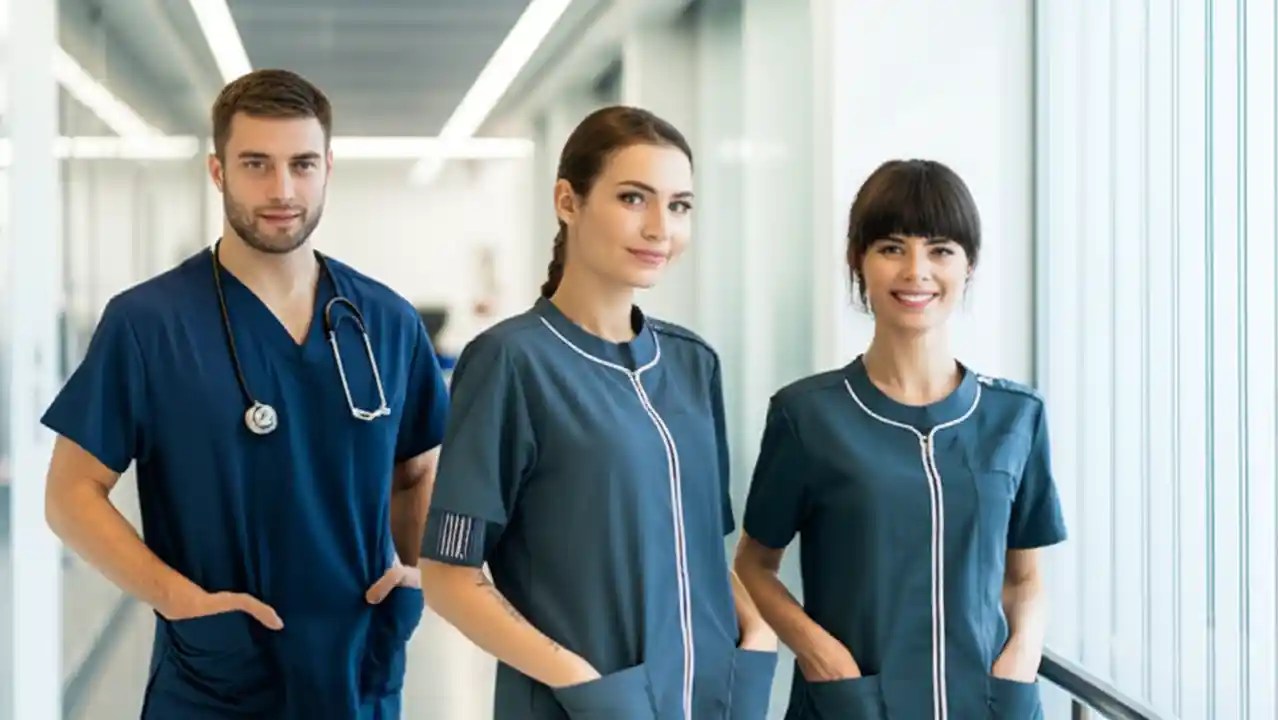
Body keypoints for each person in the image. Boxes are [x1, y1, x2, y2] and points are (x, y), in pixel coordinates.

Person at [42, 69, 448, 719]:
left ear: (328, 169)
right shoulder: (149, 324)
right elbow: (69, 495)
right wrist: (176, 599)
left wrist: (421, 574)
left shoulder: (386, 321)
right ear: (217, 170)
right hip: (218, 677)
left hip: (358, 670)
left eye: (302, 163)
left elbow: (415, 471)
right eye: (256, 163)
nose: (282, 189)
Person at [418, 105, 777, 720]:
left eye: (681, 205)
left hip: (716, 695)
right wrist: (582, 683)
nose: (661, 227)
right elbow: (449, 574)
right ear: (568, 200)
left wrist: (758, 638)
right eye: (634, 198)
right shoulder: (510, 362)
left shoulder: (693, 364)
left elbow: (703, 552)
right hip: (586, 706)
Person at [735, 159, 1067, 720]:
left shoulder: (1017, 416)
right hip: (854, 703)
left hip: (988, 705)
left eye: (940, 249)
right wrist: (821, 655)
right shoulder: (807, 416)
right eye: (891, 247)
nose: (916, 271)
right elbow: (753, 565)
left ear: (969, 265)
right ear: (858, 261)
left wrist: (1021, 658)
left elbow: (1025, 576)